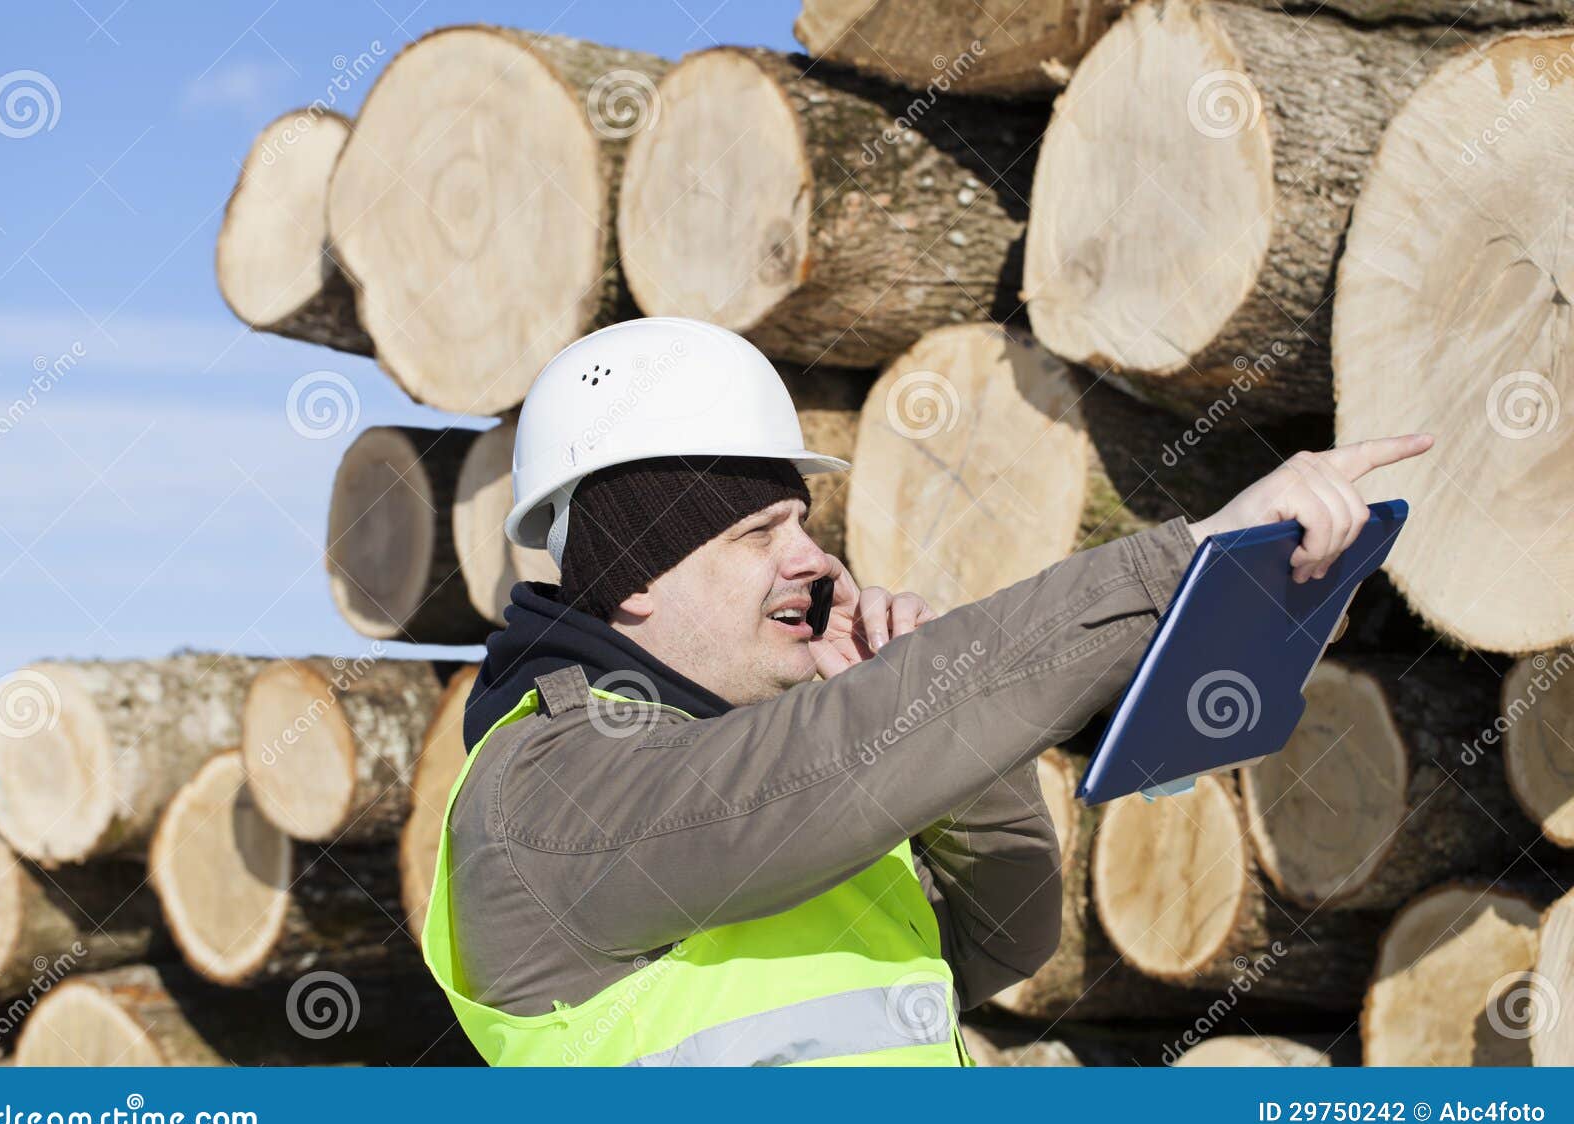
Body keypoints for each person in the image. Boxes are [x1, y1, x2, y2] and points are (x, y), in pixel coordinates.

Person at [420, 315, 1434, 1067]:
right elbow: (804, 775)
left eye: (801, 524)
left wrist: (917, 724)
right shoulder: (550, 786)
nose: (810, 561)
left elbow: (1006, 929)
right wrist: (1178, 565)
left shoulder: (758, 761)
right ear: (635, 574)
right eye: (758, 533)